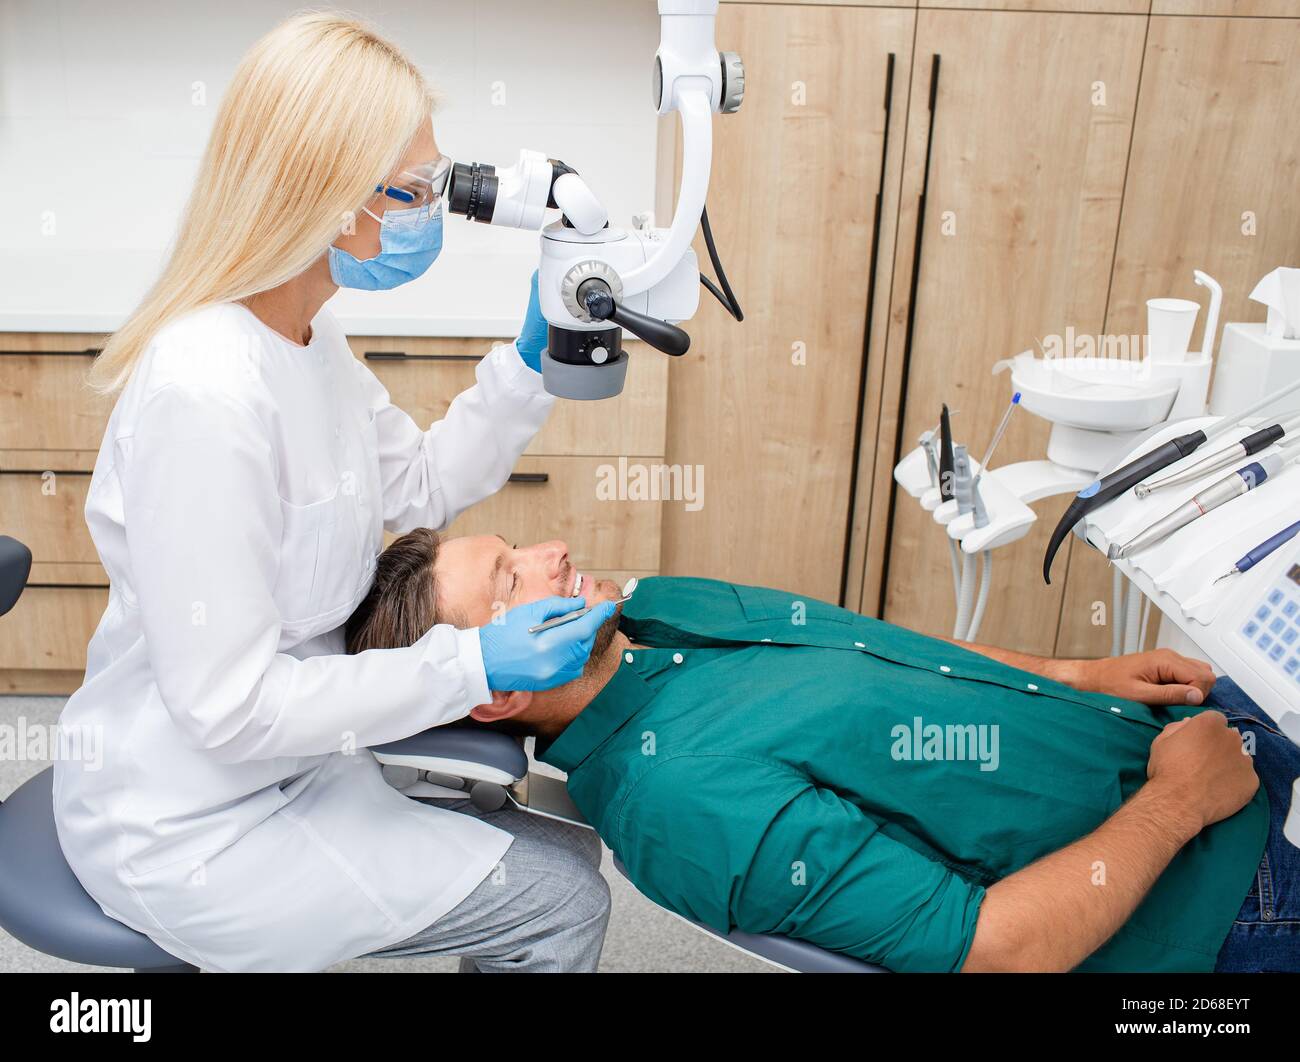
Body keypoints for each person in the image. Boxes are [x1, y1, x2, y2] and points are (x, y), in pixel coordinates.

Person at [53, 14, 615, 973]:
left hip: (299, 761)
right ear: (327, 197)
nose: (429, 213)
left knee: (564, 845)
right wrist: (471, 664)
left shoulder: (309, 340)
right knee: (560, 898)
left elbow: (429, 482)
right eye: (416, 191)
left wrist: (528, 363)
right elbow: (228, 710)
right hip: (190, 822)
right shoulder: (207, 389)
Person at [347, 529, 1300, 973]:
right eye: (511, 578)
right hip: (1217, 893)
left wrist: (1078, 674)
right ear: (498, 690)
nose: (552, 550)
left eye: (516, 542)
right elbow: (996, 952)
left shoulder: (650, 608)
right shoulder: (680, 803)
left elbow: (883, 654)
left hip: (1168, 735)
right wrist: (1179, 802)